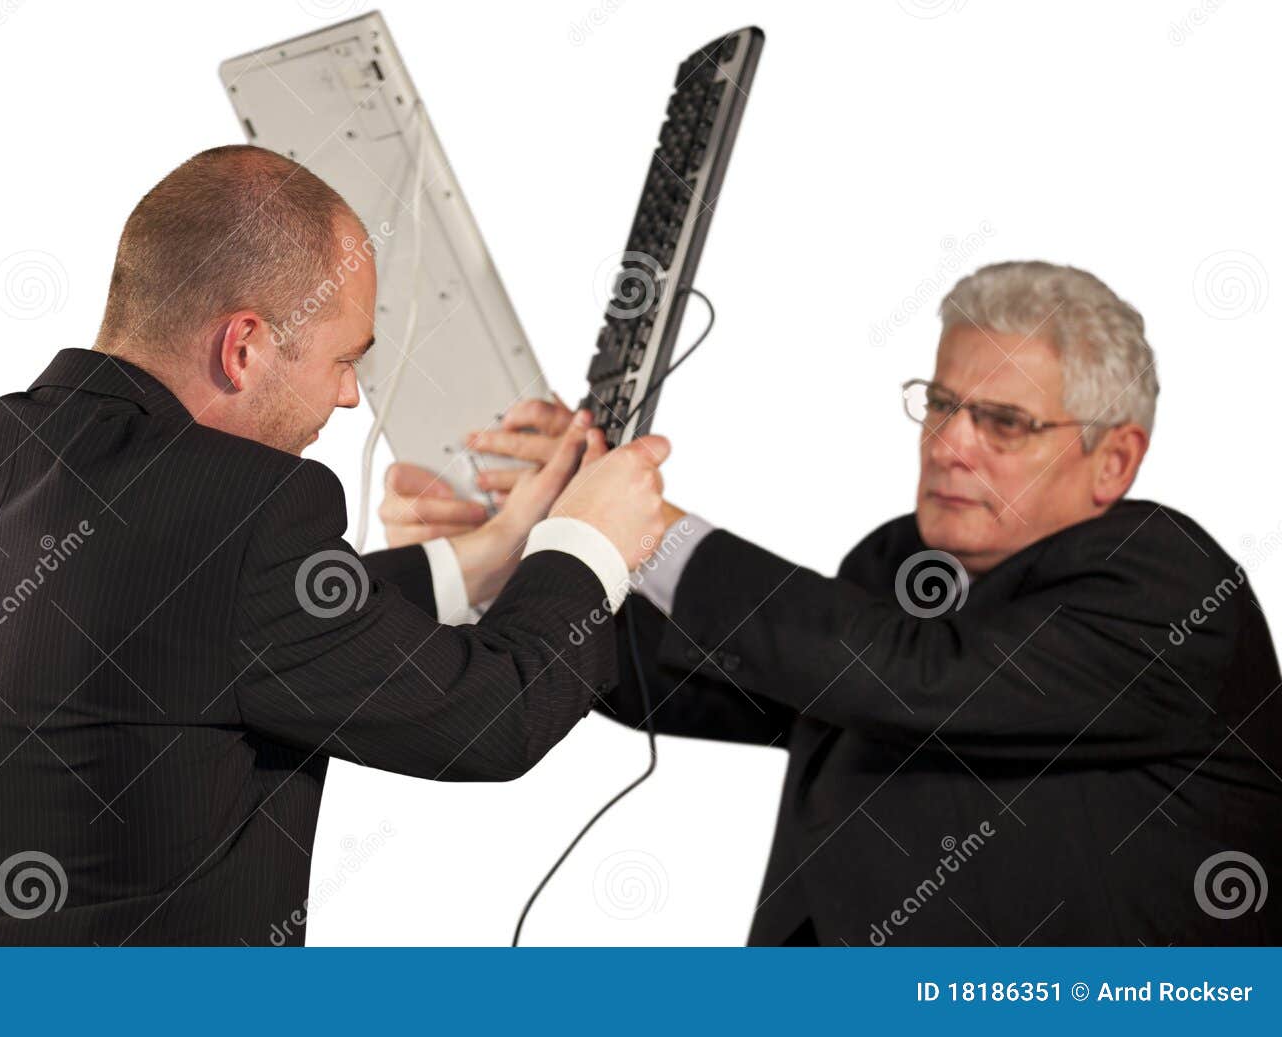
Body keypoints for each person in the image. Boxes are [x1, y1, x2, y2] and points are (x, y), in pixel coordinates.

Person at [0, 146, 670, 946]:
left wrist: (486, 555)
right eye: (344, 359)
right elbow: (494, 718)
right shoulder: (244, 511)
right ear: (243, 347)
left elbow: (199, 622)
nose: (350, 395)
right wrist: (588, 542)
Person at [382, 261, 1282, 945]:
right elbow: (713, 678)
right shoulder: (901, 563)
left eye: (1003, 421)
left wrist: (651, 528)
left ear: (1114, 460)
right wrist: (528, 561)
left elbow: (919, 681)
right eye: (942, 403)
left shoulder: (1168, 583)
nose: (950, 443)